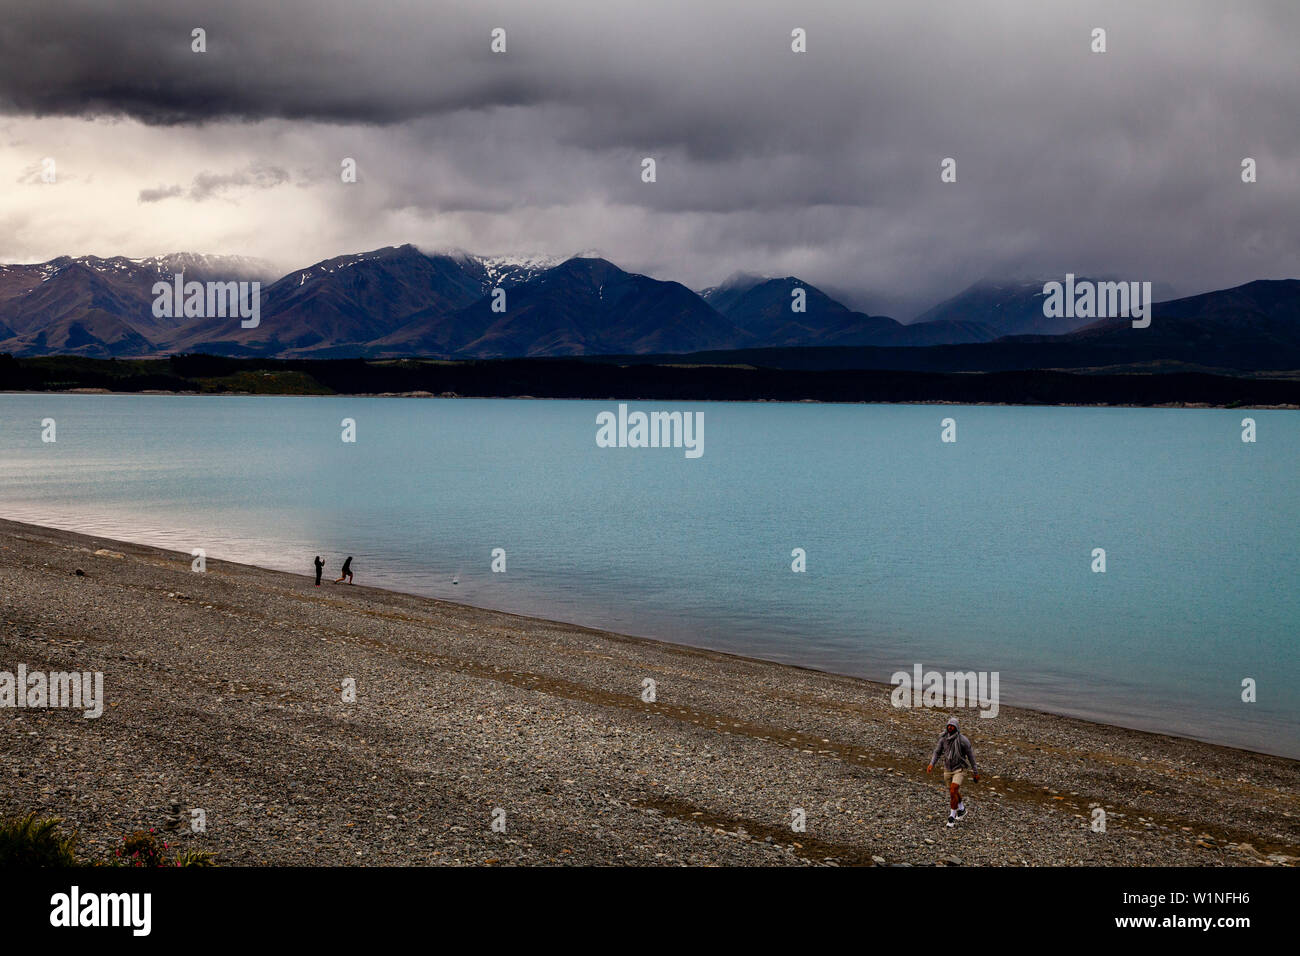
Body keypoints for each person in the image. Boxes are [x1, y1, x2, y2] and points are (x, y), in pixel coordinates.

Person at [926, 715, 979, 827]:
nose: (950, 727)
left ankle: (951, 817)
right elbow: (937, 752)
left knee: (953, 791)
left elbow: (971, 757)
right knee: (953, 791)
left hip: (959, 769)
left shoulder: (963, 740)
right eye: (949, 725)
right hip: (947, 769)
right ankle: (962, 809)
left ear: (956, 727)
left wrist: (975, 772)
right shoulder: (943, 739)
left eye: (952, 726)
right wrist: (931, 764)